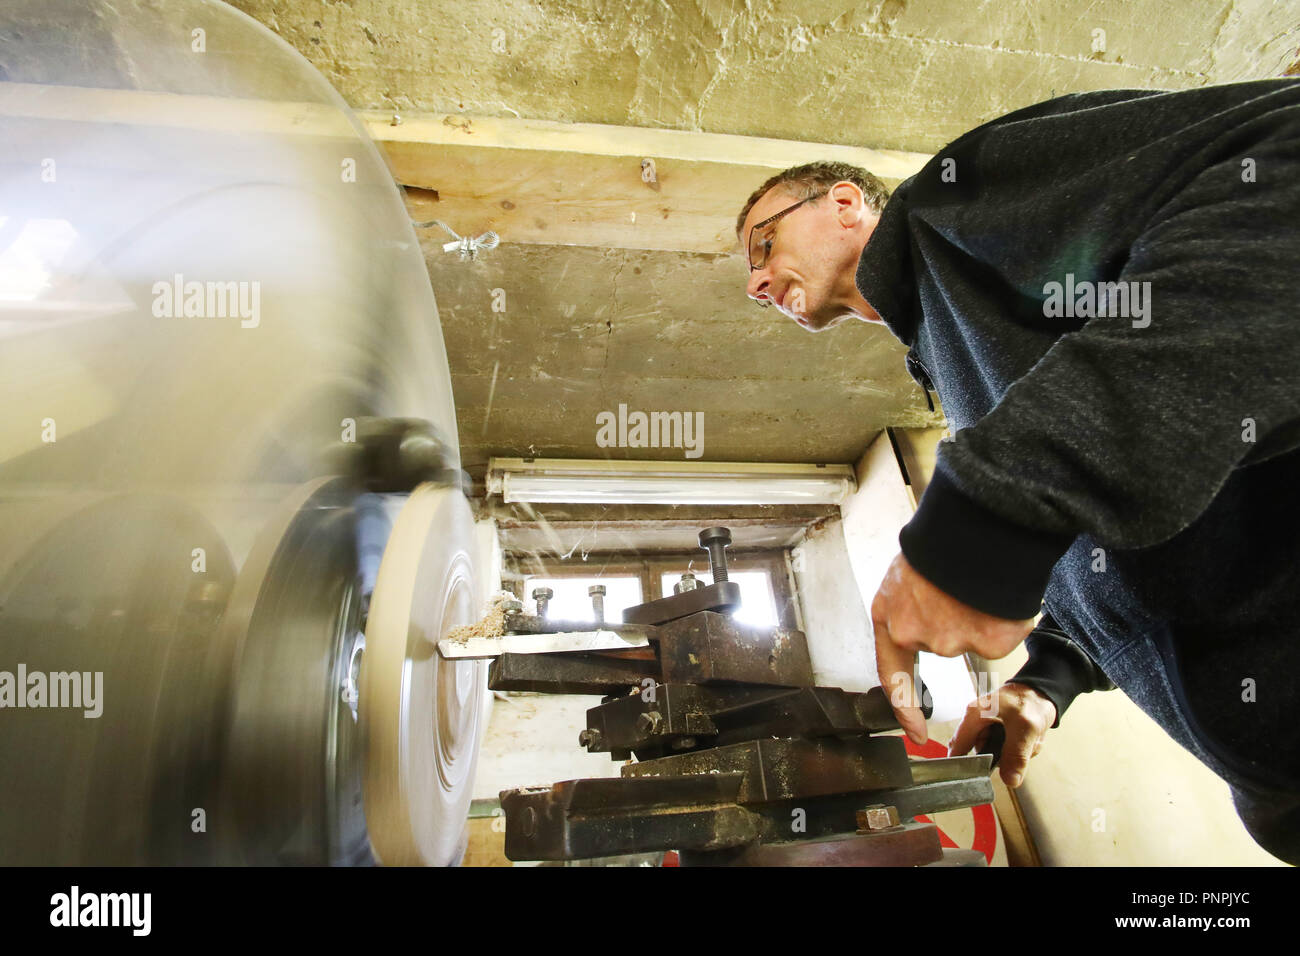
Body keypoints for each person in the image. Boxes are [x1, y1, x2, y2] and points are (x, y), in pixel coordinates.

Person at [735, 78, 1300, 863]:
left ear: (842, 203)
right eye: (753, 286)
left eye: (762, 244)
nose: (756, 285)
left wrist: (986, 521)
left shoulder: (957, 198)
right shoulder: (942, 339)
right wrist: (1050, 678)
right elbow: (1132, 536)